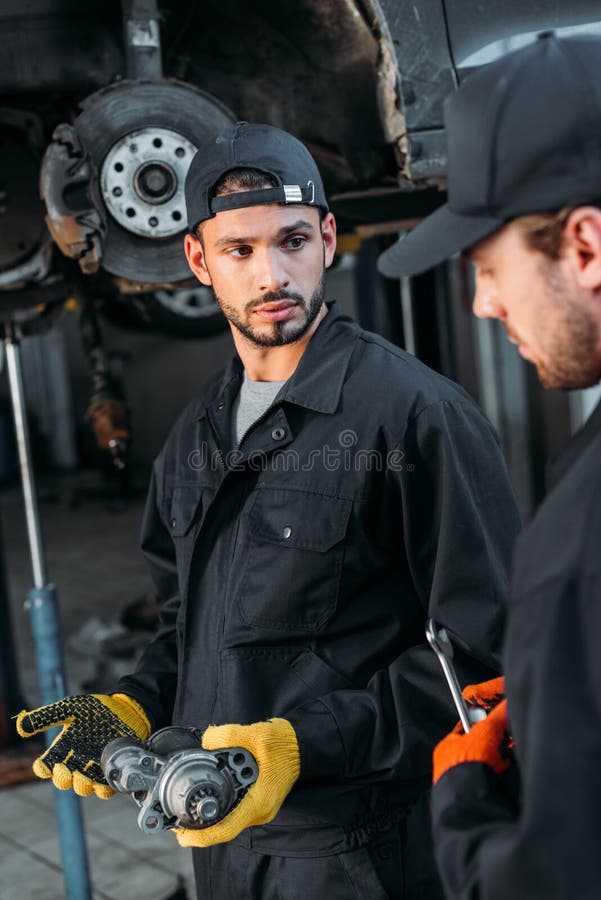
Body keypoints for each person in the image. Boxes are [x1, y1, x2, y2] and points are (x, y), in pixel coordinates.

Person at [17, 122, 521, 899]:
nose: (271, 274)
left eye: (290, 241)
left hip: (360, 850)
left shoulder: (413, 415)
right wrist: (134, 704)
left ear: (326, 238)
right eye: (239, 251)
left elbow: (484, 665)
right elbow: (187, 627)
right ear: (198, 262)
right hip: (223, 844)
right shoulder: (195, 435)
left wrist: (292, 748)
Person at [378, 31, 601, 900]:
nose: (479, 301)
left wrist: (463, 798)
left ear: (585, 246)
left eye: (487, 265)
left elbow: (553, 879)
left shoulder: (581, 535)